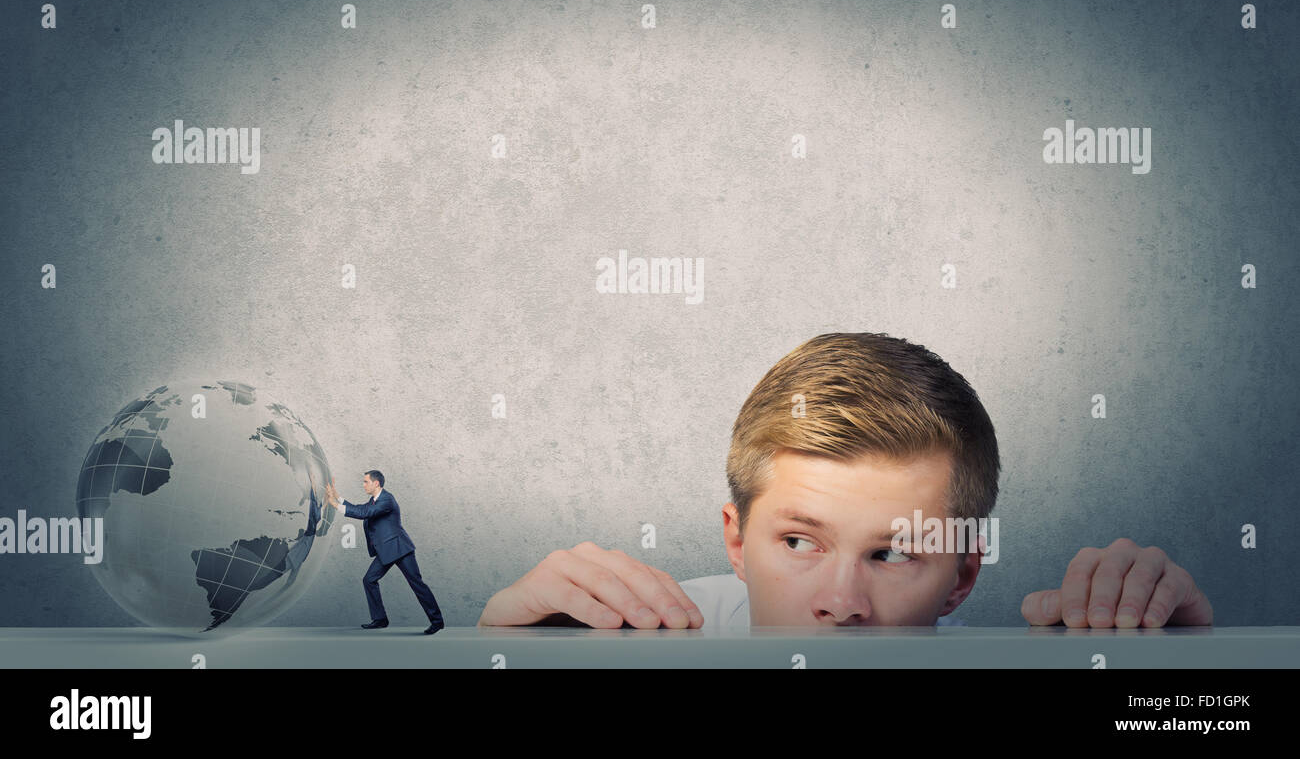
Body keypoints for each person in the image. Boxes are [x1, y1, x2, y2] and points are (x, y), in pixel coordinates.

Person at [477, 332, 1213, 630]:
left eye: (892, 554)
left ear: (962, 576)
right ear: (736, 543)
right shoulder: (634, 645)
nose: (840, 604)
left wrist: (1195, 684)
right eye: (798, 541)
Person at [326, 471, 446, 634]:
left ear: (376, 483)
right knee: (369, 580)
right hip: (385, 551)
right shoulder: (374, 500)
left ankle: (437, 621)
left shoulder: (387, 500)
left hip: (400, 549)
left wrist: (334, 504)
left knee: (416, 584)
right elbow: (360, 508)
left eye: (366, 482)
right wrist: (337, 497)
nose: (363, 485)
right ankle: (380, 619)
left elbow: (363, 514)